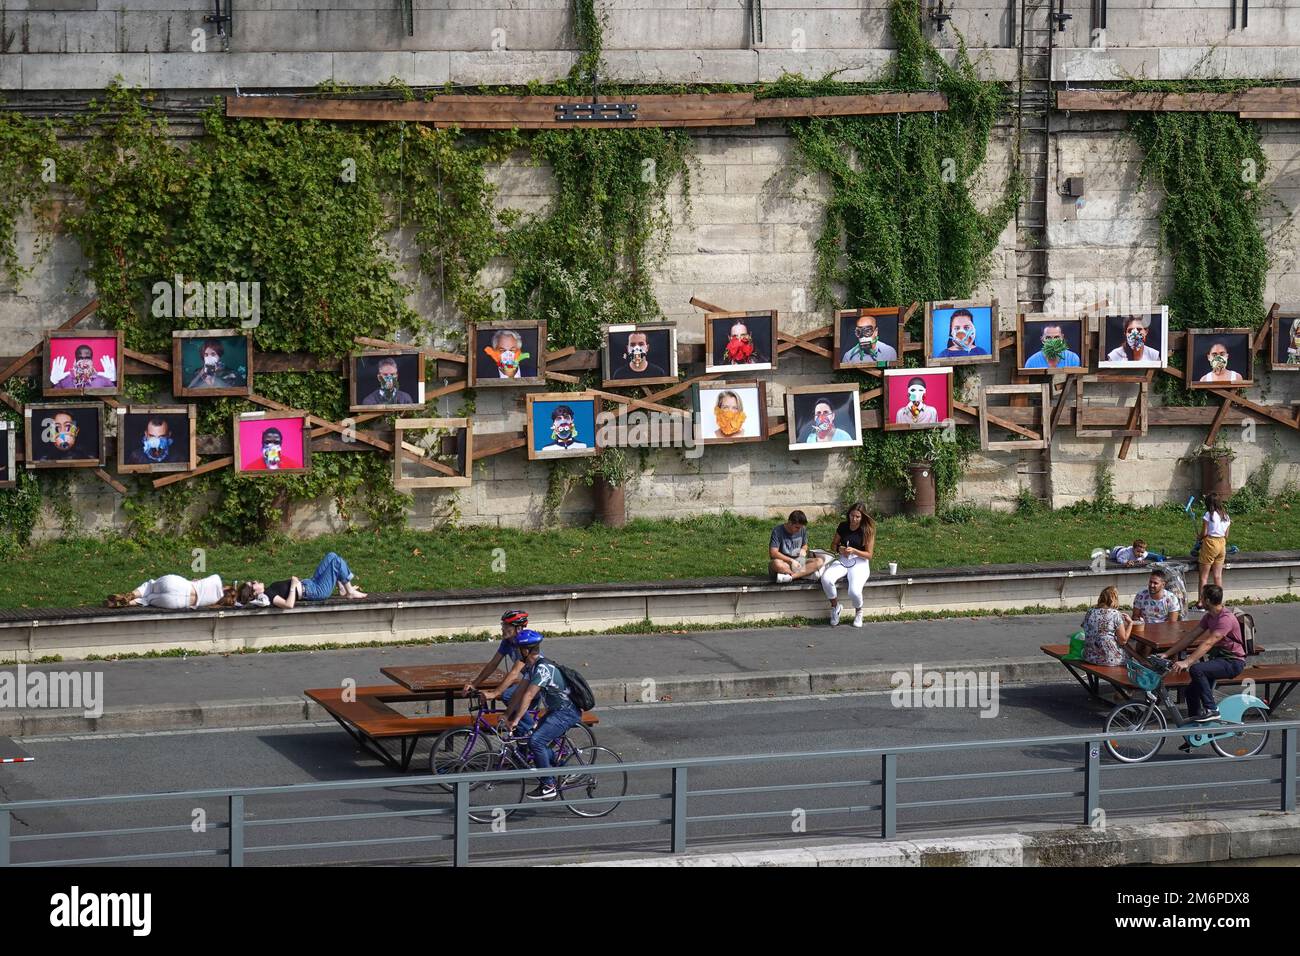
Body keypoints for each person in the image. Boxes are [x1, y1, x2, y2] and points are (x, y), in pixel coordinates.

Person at [500, 628, 583, 801]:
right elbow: (518, 693)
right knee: (532, 738)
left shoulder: (543, 669)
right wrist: (507, 715)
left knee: (536, 741)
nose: (516, 652)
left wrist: (515, 720)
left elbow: (529, 695)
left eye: (518, 649)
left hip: (566, 713)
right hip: (556, 711)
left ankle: (549, 785)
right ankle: (562, 767)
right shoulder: (532, 667)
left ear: (526, 650)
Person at [1156, 585, 1246, 727]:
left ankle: (1212, 709)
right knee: (1191, 692)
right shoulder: (1210, 616)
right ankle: (1195, 731)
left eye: (1202, 597)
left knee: (1197, 669)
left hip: (1233, 662)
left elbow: (1209, 643)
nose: (1199, 601)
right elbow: (1190, 637)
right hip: (1219, 660)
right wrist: (1167, 653)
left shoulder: (1225, 619)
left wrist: (1187, 662)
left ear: (1208, 601)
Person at [464, 609, 541, 734]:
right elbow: (493, 664)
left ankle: (535, 729)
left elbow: (514, 672)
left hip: (537, 685)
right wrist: (474, 684)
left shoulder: (525, 643)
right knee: (516, 729)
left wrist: (495, 693)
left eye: (506, 626)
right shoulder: (507, 642)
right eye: (502, 625)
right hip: (527, 681)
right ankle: (523, 746)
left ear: (519, 628)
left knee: (507, 696)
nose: (503, 629)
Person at [238, 552, 367, 608]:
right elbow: (288, 605)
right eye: (253, 583)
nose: (255, 581)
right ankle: (349, 592)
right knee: (337, 562)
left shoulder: (269, 589)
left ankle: (343, 589)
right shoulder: (269, 595)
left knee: (331, 556)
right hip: (316, 591)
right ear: (254, 592)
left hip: (311, 583)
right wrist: (293, 586)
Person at [821, 502, 875, 628]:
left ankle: (859, 611)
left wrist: (855, 551)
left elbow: (869, 555)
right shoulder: (843, 526)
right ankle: (835, 607)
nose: (854, 519)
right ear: (848, 514)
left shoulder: (867, 530)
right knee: (826, 578)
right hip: (844, 559)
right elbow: (833, 545)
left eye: (857, 517)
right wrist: (840, 549)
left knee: (854, 591)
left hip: (860, 561)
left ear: (862, 518)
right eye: (852, 515)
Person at [106, 573, 236, 610]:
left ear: (226, 588)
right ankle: (131, 603)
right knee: (149, 599)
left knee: (150, 586)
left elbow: (199, 580)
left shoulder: (216, 579)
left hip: (179, 585)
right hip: (176, 602)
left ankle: (129, 595)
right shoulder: (215, 603)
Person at [1081, 586, 1132, 667]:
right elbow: (1123, 641)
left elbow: (1087, 628)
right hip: (1110, 659)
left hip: (1089, 657)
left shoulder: (1090, 612)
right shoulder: (1115, 614)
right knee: (1132, 652)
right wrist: (1130, 624)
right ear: (1113, 599)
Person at [769, 510, 825, 584]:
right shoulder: (777, 531)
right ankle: (804, 574)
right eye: (797, 527)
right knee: (777, 564)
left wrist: (803, 550)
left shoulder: (802, 529)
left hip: (799, 563)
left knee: (819, 561)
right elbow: (773, 553)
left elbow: (805, 545)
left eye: (800, 528)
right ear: (790, 522)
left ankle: (790, 577)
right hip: (785, 563)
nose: (799, 530)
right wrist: (791, 561)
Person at [1195, 493, 1230, 609]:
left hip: (1210, 543)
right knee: (1217, 576)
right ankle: (1218, 602)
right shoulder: (1226, 516)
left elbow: (1204, 533)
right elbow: (1226, 535)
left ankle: (1201, 601)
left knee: (1203, 576)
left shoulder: (1208, 515)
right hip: (1222, 544)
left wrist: (1198, 537)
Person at [50, 343, 116, 390]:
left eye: (87, 358)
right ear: (75, 361)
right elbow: (53, 396)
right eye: (80, 358)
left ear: (92, 360)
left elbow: (114, 393)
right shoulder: (65, 381)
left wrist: (113, 381)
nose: (84, 363)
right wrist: (53, 382)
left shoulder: (102, 380)